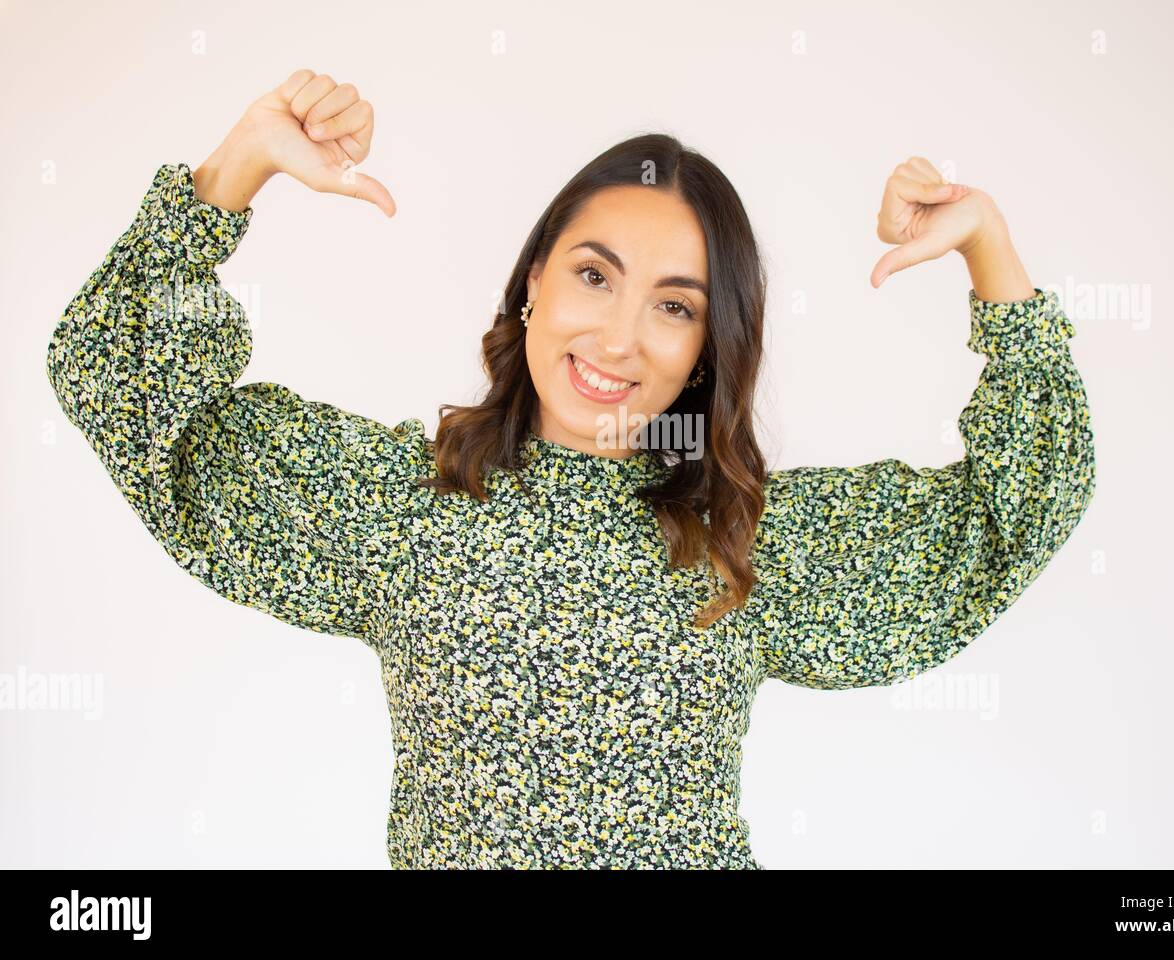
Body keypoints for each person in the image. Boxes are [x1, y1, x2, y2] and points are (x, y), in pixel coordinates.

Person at [45, 68, 1097, 869]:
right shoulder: (400, 504)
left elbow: (1020, 508)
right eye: (596, 276)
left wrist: (988, 255)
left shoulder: (750, 537)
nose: (620, 337)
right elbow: (121, 383)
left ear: (706, 348)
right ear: (535, 282)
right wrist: (237, 167)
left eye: (675, 305)